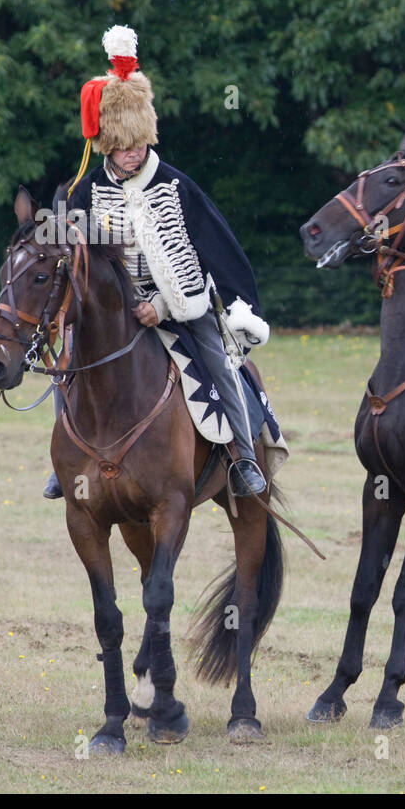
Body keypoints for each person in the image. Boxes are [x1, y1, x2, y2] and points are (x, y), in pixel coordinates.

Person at [43, 25, 269, 499]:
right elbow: (65, 254)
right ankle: (66, 458)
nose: (134, 153)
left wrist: (166, 306)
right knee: (68, 359)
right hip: (110, 310)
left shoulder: (177, 186)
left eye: (139, 142)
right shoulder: (84, 191)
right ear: (107, 142)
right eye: (125, 145)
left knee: (218, 360)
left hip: (180, 304)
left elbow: (220, 251)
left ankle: (243, 456)